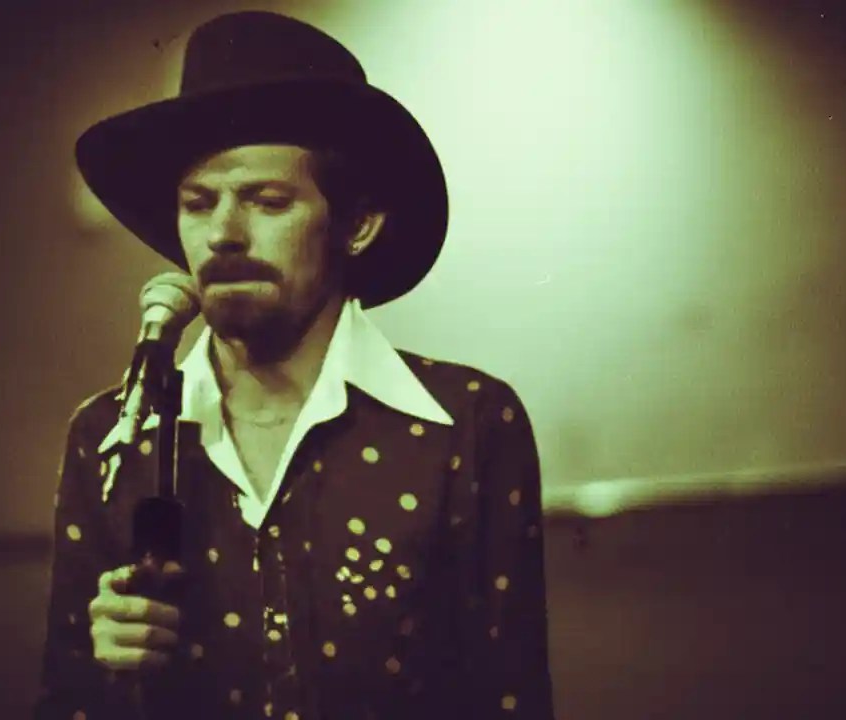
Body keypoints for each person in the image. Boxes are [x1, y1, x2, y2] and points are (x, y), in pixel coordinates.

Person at [34, 10, 555, 720]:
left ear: (357, 226)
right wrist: (110, 667)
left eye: (267, 201)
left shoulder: (465, 423)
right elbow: (65, 698)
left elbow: (508, 695)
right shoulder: (112, 436)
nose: (222, 232)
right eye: (197, 204)